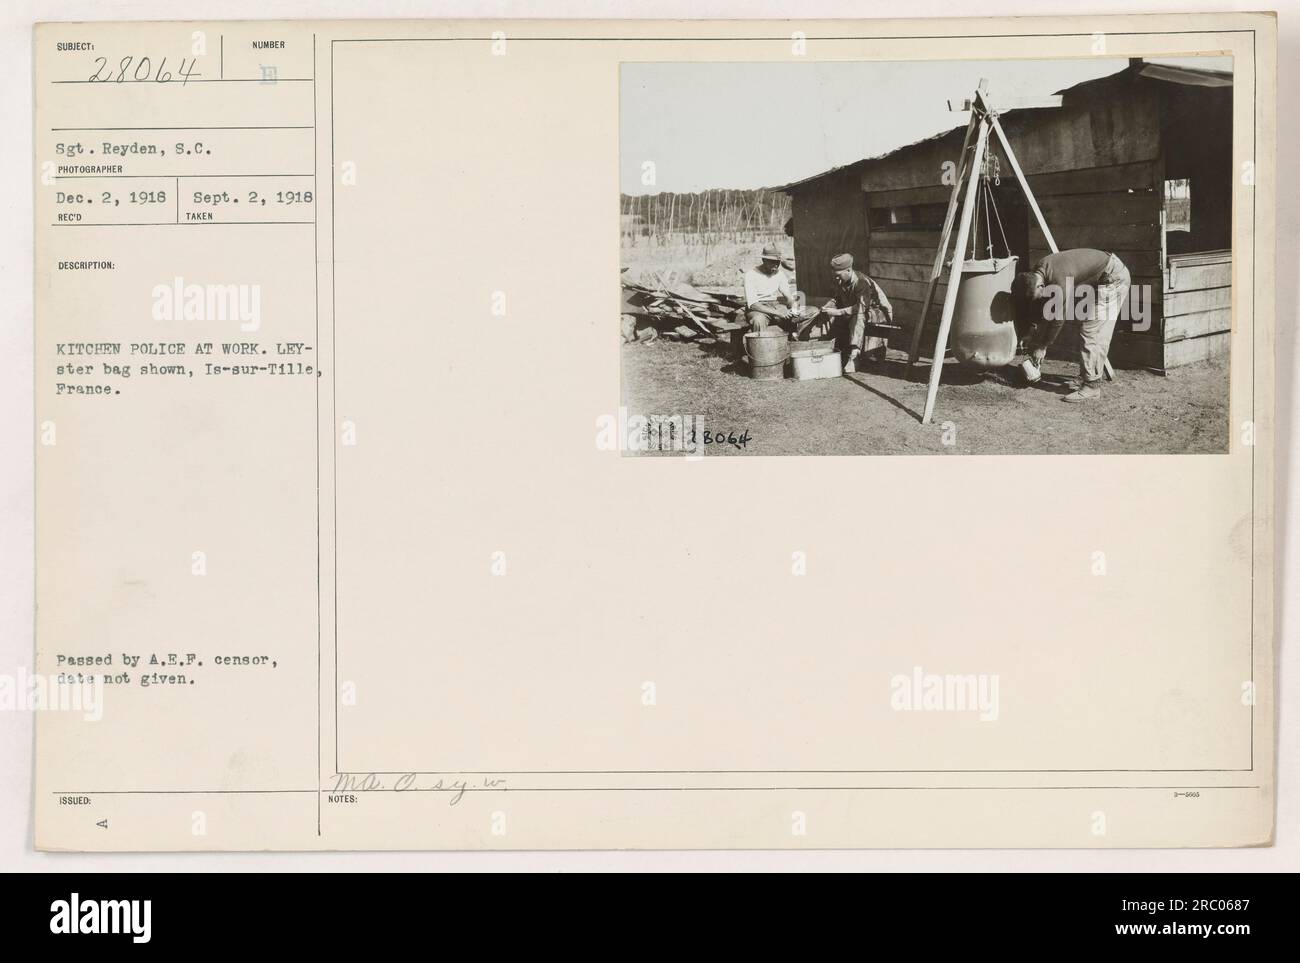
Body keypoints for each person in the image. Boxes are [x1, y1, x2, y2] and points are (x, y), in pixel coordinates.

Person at [1012, 249, 1130, 402]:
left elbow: (1058, 318)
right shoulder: (1038, 272)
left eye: (1038, 295)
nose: (1039, 297)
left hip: (1113, 278)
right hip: (1099, 279)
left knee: (1091, 332)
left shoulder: (1058, 279)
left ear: (1041, 286)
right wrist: (1031, 330)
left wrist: (1043, 346)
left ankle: (1091, 387)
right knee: (1088, 329)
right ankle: (1086, 377)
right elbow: (1040, 305)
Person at [822, 253, 893, 374]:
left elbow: (861, 307)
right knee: (831, 314)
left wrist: (838, 312)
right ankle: (827, 348)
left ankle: (854, 356)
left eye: (839, 276)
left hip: (878, 313)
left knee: (857, 315)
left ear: (849, 270)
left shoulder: (861, 282)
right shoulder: (842, 280)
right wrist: (827, 306)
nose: (836, 279)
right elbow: (837, 299)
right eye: (835, 276)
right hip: (861, 311)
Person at [742, 244, 797, 331]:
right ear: (764, 260)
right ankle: (760, 343)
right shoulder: (751, 275)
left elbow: (788, 295)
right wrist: (779, 313)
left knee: (803, 315)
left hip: (775, 305)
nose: (776, 265)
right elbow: (753, 304)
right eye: (772, 262)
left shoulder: (779, 274)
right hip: (758, 308)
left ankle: (795, 341)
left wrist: (793, 305)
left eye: (778, 262)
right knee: (758, 320)